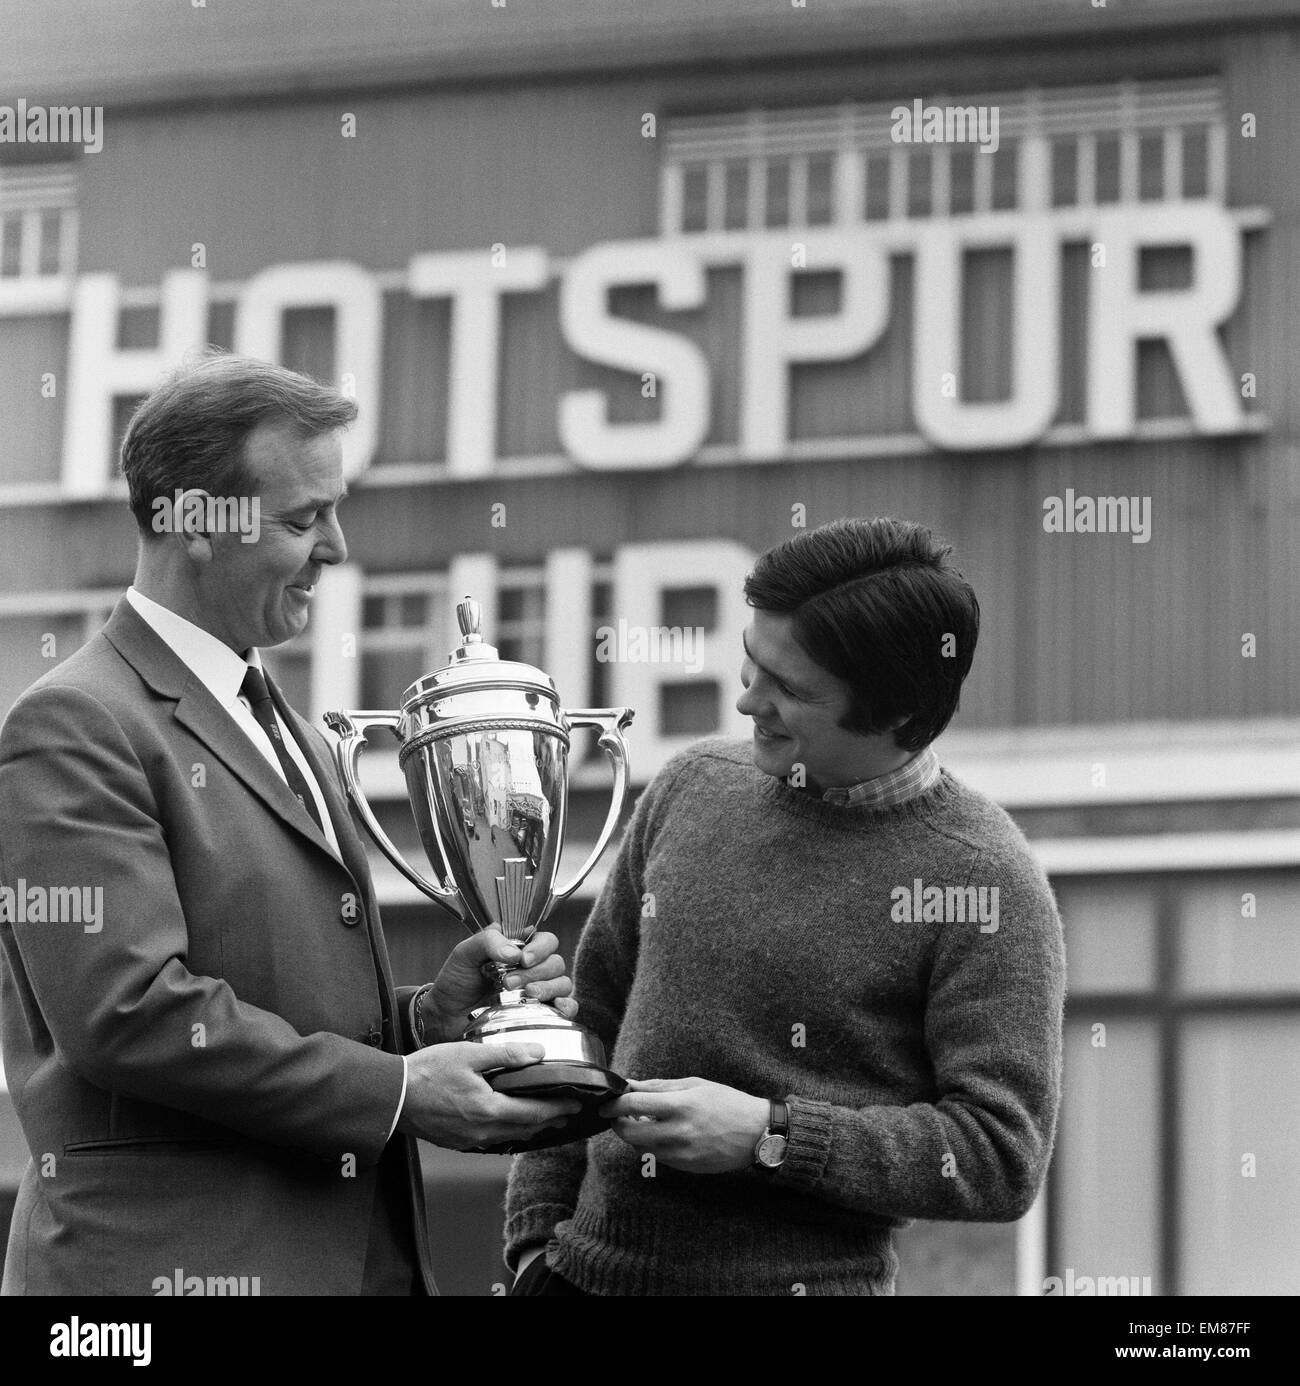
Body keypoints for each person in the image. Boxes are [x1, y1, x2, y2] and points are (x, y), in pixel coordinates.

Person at [0, 353, 582, 1296]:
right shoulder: (73, 723)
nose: (337, 548)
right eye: (304, 518)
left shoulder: (290, 726)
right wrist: (399, 1089)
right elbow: (129, 1013)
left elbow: (273, 1000)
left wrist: (421, 1020)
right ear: (194, 521)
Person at [505, 517, 1066, 1296]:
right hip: (576, 1279)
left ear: (899, 715)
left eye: (790, 689)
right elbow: (585, 1025)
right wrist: (535, 1244)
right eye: (751, 661)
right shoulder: (692, 786)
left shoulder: (984, 880)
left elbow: (1000, 1156)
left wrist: (770, 1136)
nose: (746, 701)